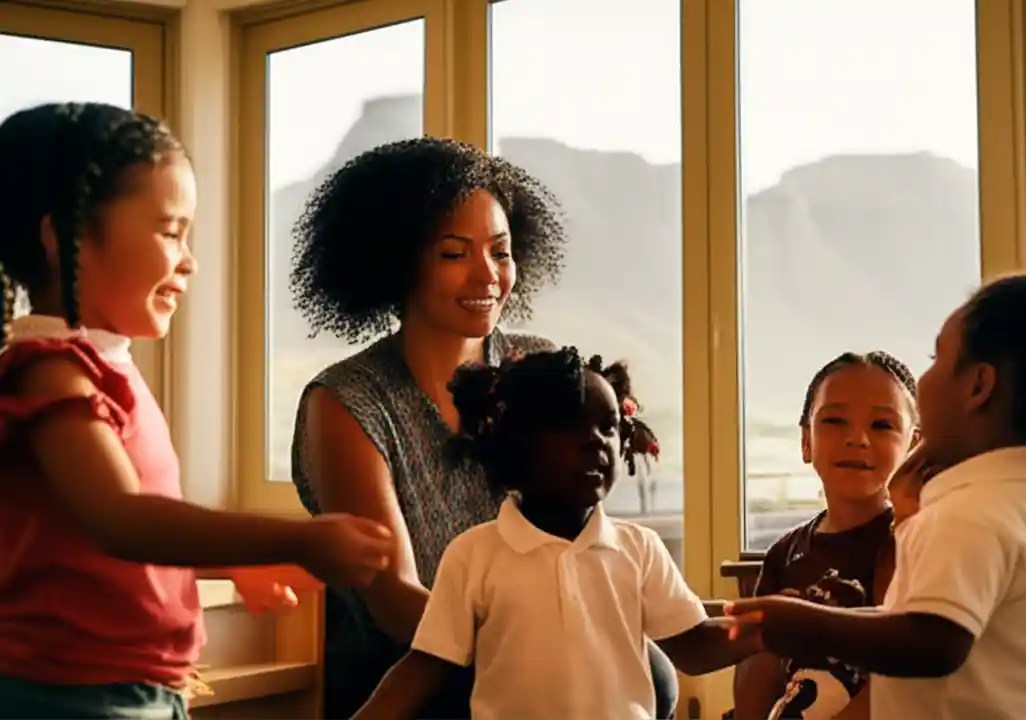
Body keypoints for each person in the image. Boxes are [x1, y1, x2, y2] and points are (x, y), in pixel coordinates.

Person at [0, 102, 395, 719]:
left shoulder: (96, 365)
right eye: (169, 231)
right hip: (75, 696)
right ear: (66, 237)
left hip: (134, 690)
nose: (189, 261)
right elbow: (122, 519)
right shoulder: (52, 373)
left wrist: (238, 558)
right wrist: (297, 538)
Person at [288, 137, 680, 718]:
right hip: (409, 672)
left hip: (548, 666)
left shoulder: (536, 363)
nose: (487, 275)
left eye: (500, 251)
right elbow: (393, 597)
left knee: (657, 676)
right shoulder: (345, 401)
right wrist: (530, 648)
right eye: (454, 253)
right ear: (396, 261)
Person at [724, 272, 1026, 720]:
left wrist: (811, 625)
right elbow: (920, 620)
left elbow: (932, 642)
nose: (926, 379)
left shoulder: (972, 512)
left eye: (935, 360)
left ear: (978, 386)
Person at [356, 347, 762, 719]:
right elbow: (426, 665)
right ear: (517, 442)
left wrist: (778, 625)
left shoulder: (640, 548)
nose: (595, 443)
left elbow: (693, 646)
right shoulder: (473, 554)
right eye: (569, 425)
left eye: (608, 427)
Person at [733, 352, 917, 720]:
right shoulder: (784, 554)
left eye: (882, 425)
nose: (857, 438)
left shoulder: (911, 544)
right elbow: (756, 672)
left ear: (914, 445)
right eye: (834, 420)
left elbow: (897, 686)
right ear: (805, 441)